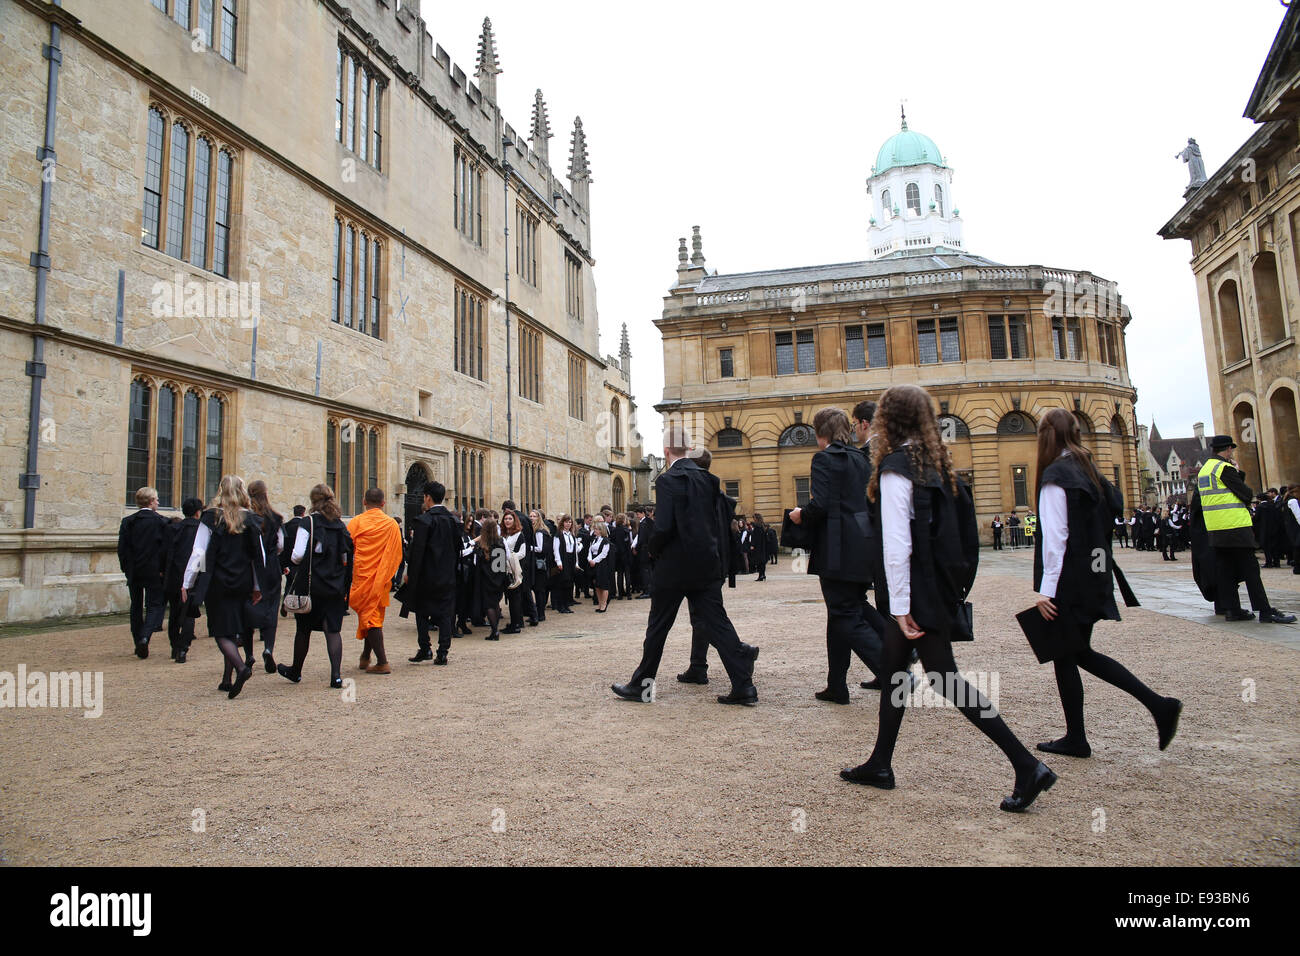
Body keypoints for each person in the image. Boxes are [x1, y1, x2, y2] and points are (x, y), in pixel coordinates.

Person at [840, 383, 1056, 813]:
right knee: (895, 670)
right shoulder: (934, 462)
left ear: (890, 419)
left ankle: (1026, 764)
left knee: (944, 678)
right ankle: (880, 763)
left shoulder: (897, 467)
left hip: (915, 594)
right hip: (935, 587)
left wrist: (899, 607)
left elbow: (897, 545)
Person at [1031, 408, 1183, 759]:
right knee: (1068, 653)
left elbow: (1056, 538)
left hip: (1070, 580)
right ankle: (1077, 736)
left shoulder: (1056, 475)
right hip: (1095, 575)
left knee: (1073, 652)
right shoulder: (1091, 470)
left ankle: (1158, 705)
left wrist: (1046, 589)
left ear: (1048, 437)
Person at [612, 426, 760, 706]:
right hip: (705, 564)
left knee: (658, 627)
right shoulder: (709, 480)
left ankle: (641, 687)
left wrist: (653, 550)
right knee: (718, 624)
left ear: (666, 450)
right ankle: (743, 685)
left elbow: (664, 527)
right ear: (689, 449)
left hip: (674, 567)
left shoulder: (668, 481)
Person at [788, 407, 886, 703]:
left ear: (821, 432)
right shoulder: (861, 458)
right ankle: (837, 685)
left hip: (838, 547)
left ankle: (894, 670)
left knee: (845, 612)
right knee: (846, 609)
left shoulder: (824, 458)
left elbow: (822, 505)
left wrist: (799, 514)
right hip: (862, 543)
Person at [1191, 436, 1296, 624]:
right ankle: (1265, 611)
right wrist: (1237, 471)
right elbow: (1246, 494)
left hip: (1215, 528)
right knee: (1251, 569)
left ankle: (1232, 609)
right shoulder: (1224, 468)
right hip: (1235, 525)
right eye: (1231, 449)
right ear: (1228, 449)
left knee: (1226, 569)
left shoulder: (1204, 470)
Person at [181, 475, 267, 700]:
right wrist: (258, 585)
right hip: (243, 581)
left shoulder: (211, 517)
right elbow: (259, 556)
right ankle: (226, 678)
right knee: (232, 628)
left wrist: (187, 582)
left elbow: (199, 552)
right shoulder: (250, 519)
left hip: (217, 581)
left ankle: (240, 667)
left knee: (221, 631)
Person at [278, 484, 355, 687]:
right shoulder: (339, 524)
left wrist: (297, 563)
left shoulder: (308, 522)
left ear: (313, 501)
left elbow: (297, 555)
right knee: (333, 631)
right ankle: (336, 676)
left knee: (303, 630)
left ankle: (296, 671)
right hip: (334, 585)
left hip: (312, 584)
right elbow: (348, 553)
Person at [346, 488, 405, 674]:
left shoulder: (356, 522)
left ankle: (382, 662)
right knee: (372, 617)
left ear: (364, 502)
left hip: (362, 576)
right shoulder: (391, 524)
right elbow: (397, 555)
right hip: (380, 579)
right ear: (383, 503)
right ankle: (365, 656)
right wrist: (387, 573)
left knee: (371, 619)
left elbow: (347, 549)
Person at [404, 482, 463, 665]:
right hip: (447, 574)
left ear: (427, 497)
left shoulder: (424, 521)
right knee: (446, 613)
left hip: (426, 575)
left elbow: (417, 552)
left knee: (421, 612)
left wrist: (410, 574)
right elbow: (458, 547)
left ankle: (425, 648)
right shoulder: (453, 520)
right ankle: (443, 652)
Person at [117, 486, 168, 658]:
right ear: (152, 501)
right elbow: (165, 550)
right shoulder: (161, 522)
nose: (158, 502)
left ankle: (137, 640)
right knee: (154, 605)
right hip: (154, 571)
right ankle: (145, 638)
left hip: (135, 570)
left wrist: (126, 569)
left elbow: (122, 549)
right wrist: (163, 569)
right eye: (157, 499)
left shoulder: (128, 522)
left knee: (136, 606)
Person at [244, 479, 284, 673]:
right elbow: (280, 545)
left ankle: (249, 654)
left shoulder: (246, 517)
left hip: (250, 567)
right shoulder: (274, 517)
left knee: (248, 609)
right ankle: (268, 648)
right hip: (271, 567)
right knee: (271, 608)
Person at [162, 497, 204, 663]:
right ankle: (183, 648)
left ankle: (175, 646)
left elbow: (166, 553)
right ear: (197, 512)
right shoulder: (201, 530)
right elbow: (202, 554)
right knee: (188, 614)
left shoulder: (174, 528)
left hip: (174, 575)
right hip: (193, 576)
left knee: (174, 612)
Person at [473, 516, 509, 640]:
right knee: (495, 604)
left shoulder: (482, 544)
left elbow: (477, 563)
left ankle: (495, 631)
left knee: (489, 605)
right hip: (498, 579)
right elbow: (504, 561)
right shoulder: (500, 542)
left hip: (486, 579)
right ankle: (495, 630)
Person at [500, 509, 529, 634]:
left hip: (513, 569)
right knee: (511, 598)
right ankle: (515, 622)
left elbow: (522, 553)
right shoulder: (503, 534)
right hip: (504, 569)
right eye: (506, 519)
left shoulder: (519, 534)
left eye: (510, 519)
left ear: (514, 520)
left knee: (515, 597)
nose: (507, 521)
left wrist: (510, 557)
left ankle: (516, 624)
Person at [528, 509, 553, 623]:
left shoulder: (539, 531)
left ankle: (540, 614)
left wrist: (528, 547)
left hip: (539, 564)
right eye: (530, 516)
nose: (532, 518)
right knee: (539, 590)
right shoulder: (539, 530)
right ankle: (539, 613)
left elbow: (540, 548)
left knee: (539, 590)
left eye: (534, 516)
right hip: (540, 564)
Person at [552, 514, 579, 613]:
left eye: (570, 522)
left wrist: (576, 562)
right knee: (562, 583)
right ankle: (561, 606)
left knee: (569, 583)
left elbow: (575, 550)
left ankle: (567, 604)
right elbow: (556, 549)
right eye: (566, 522)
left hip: (571, 560)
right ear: (562, 523)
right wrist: (558, 562)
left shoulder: (572, 535)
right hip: (563, 560)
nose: (568, 524)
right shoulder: (558, 535)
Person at [588, 519, 614, 612]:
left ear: (601, 530)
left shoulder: (605, 541)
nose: (594, 530)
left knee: (603, 585)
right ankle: (599, 603)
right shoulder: (594, 540)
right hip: (593, 564)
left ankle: (604, 604)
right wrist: (590, 559)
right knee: (597, 586)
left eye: (596, 529)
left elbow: (604, 554)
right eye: (594, 529)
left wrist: (595, 561)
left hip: (602, 564)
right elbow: (590, 551)